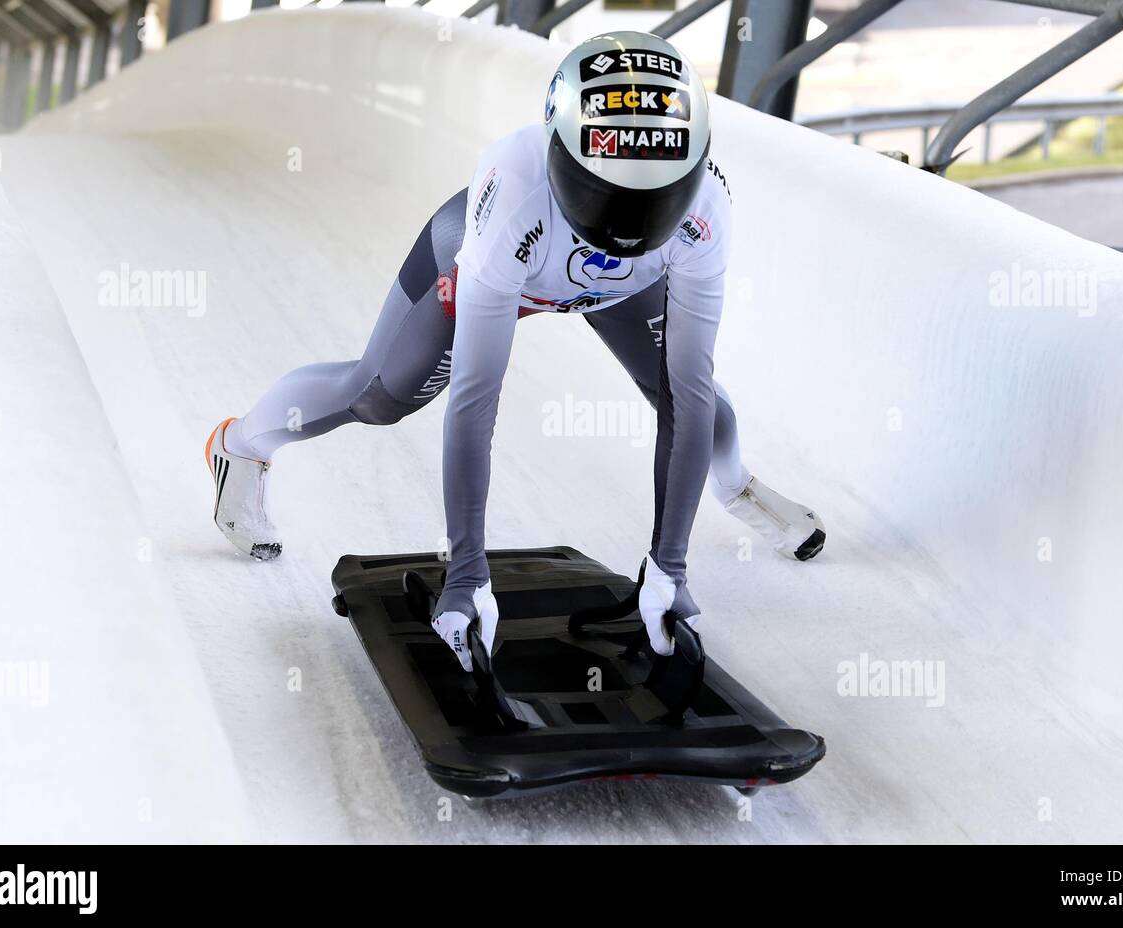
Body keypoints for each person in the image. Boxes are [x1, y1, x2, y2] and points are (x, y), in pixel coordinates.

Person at [205, 31, 824, 670]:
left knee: (693, 398)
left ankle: (734, 484)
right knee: (379, 396)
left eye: (654, 203)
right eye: (606, 195)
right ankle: (241, 446)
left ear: (693, 174)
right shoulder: (514, 192)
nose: (625, 229)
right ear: (557, 156)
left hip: (608, 283)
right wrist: (467, 570)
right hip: (505, 265)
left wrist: (670, 564)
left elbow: (690, 391)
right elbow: (476, 398)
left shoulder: (708, 209)